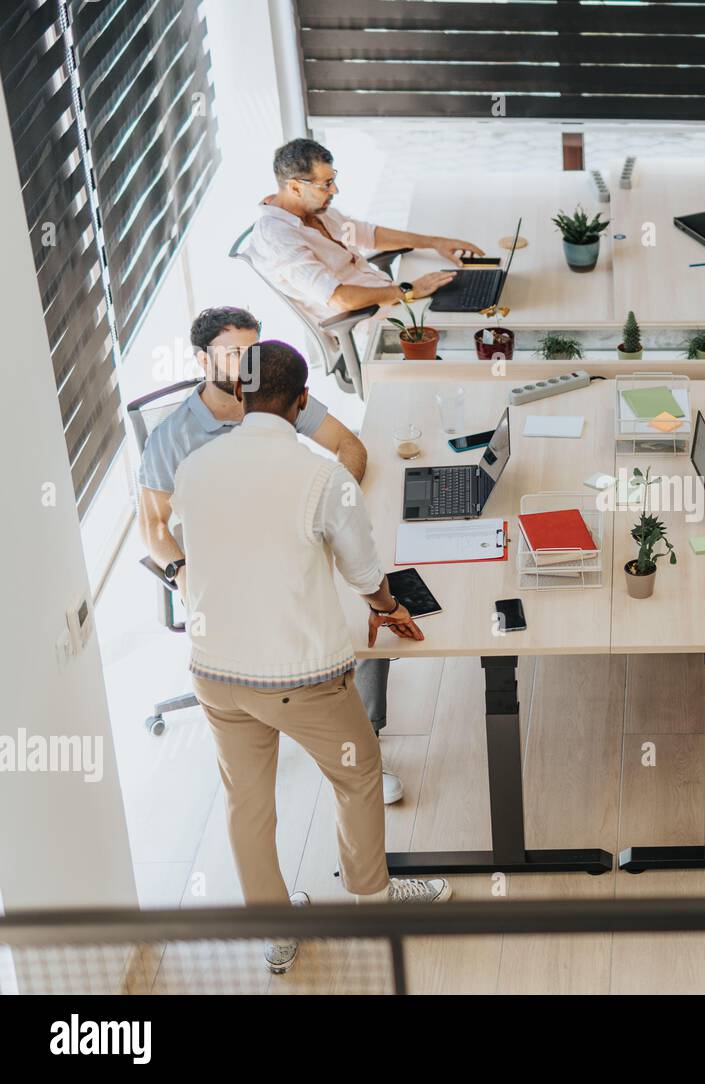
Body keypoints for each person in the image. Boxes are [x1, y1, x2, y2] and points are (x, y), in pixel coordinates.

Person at [171, 341, 451, 974]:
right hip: (298, 677)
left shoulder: (194, 467)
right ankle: (372, 898)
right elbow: (365, 573)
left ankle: (275, 931)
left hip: (213, 672)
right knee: (358, 773)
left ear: (238, 393)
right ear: (302, 401)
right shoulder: (322, 477)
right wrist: (387, 606)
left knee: (247, 801)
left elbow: (207, 545)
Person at [137, 307, 405, 803]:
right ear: (202, 360)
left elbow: (349, 446)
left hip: (290, 549)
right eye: (235, 353)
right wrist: (182, 572)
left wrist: (333, 498)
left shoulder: (276, 397)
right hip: (225, 572)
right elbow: (153, 526)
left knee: (361, 583)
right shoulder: (171, 439)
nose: (249, 364)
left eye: (254, 351)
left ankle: (362, 742)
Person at [246, 137, 484, 326]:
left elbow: (370, 235)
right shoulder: (277, 238)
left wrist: (435, 242)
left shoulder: (314, 209)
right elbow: (340, 299)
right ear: (296, 188)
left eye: (332, 179)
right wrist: (409, 290)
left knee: (475, 294)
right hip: (370, 322)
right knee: (473, 318)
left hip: (391, 298)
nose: (335, 190)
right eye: (326, 184)